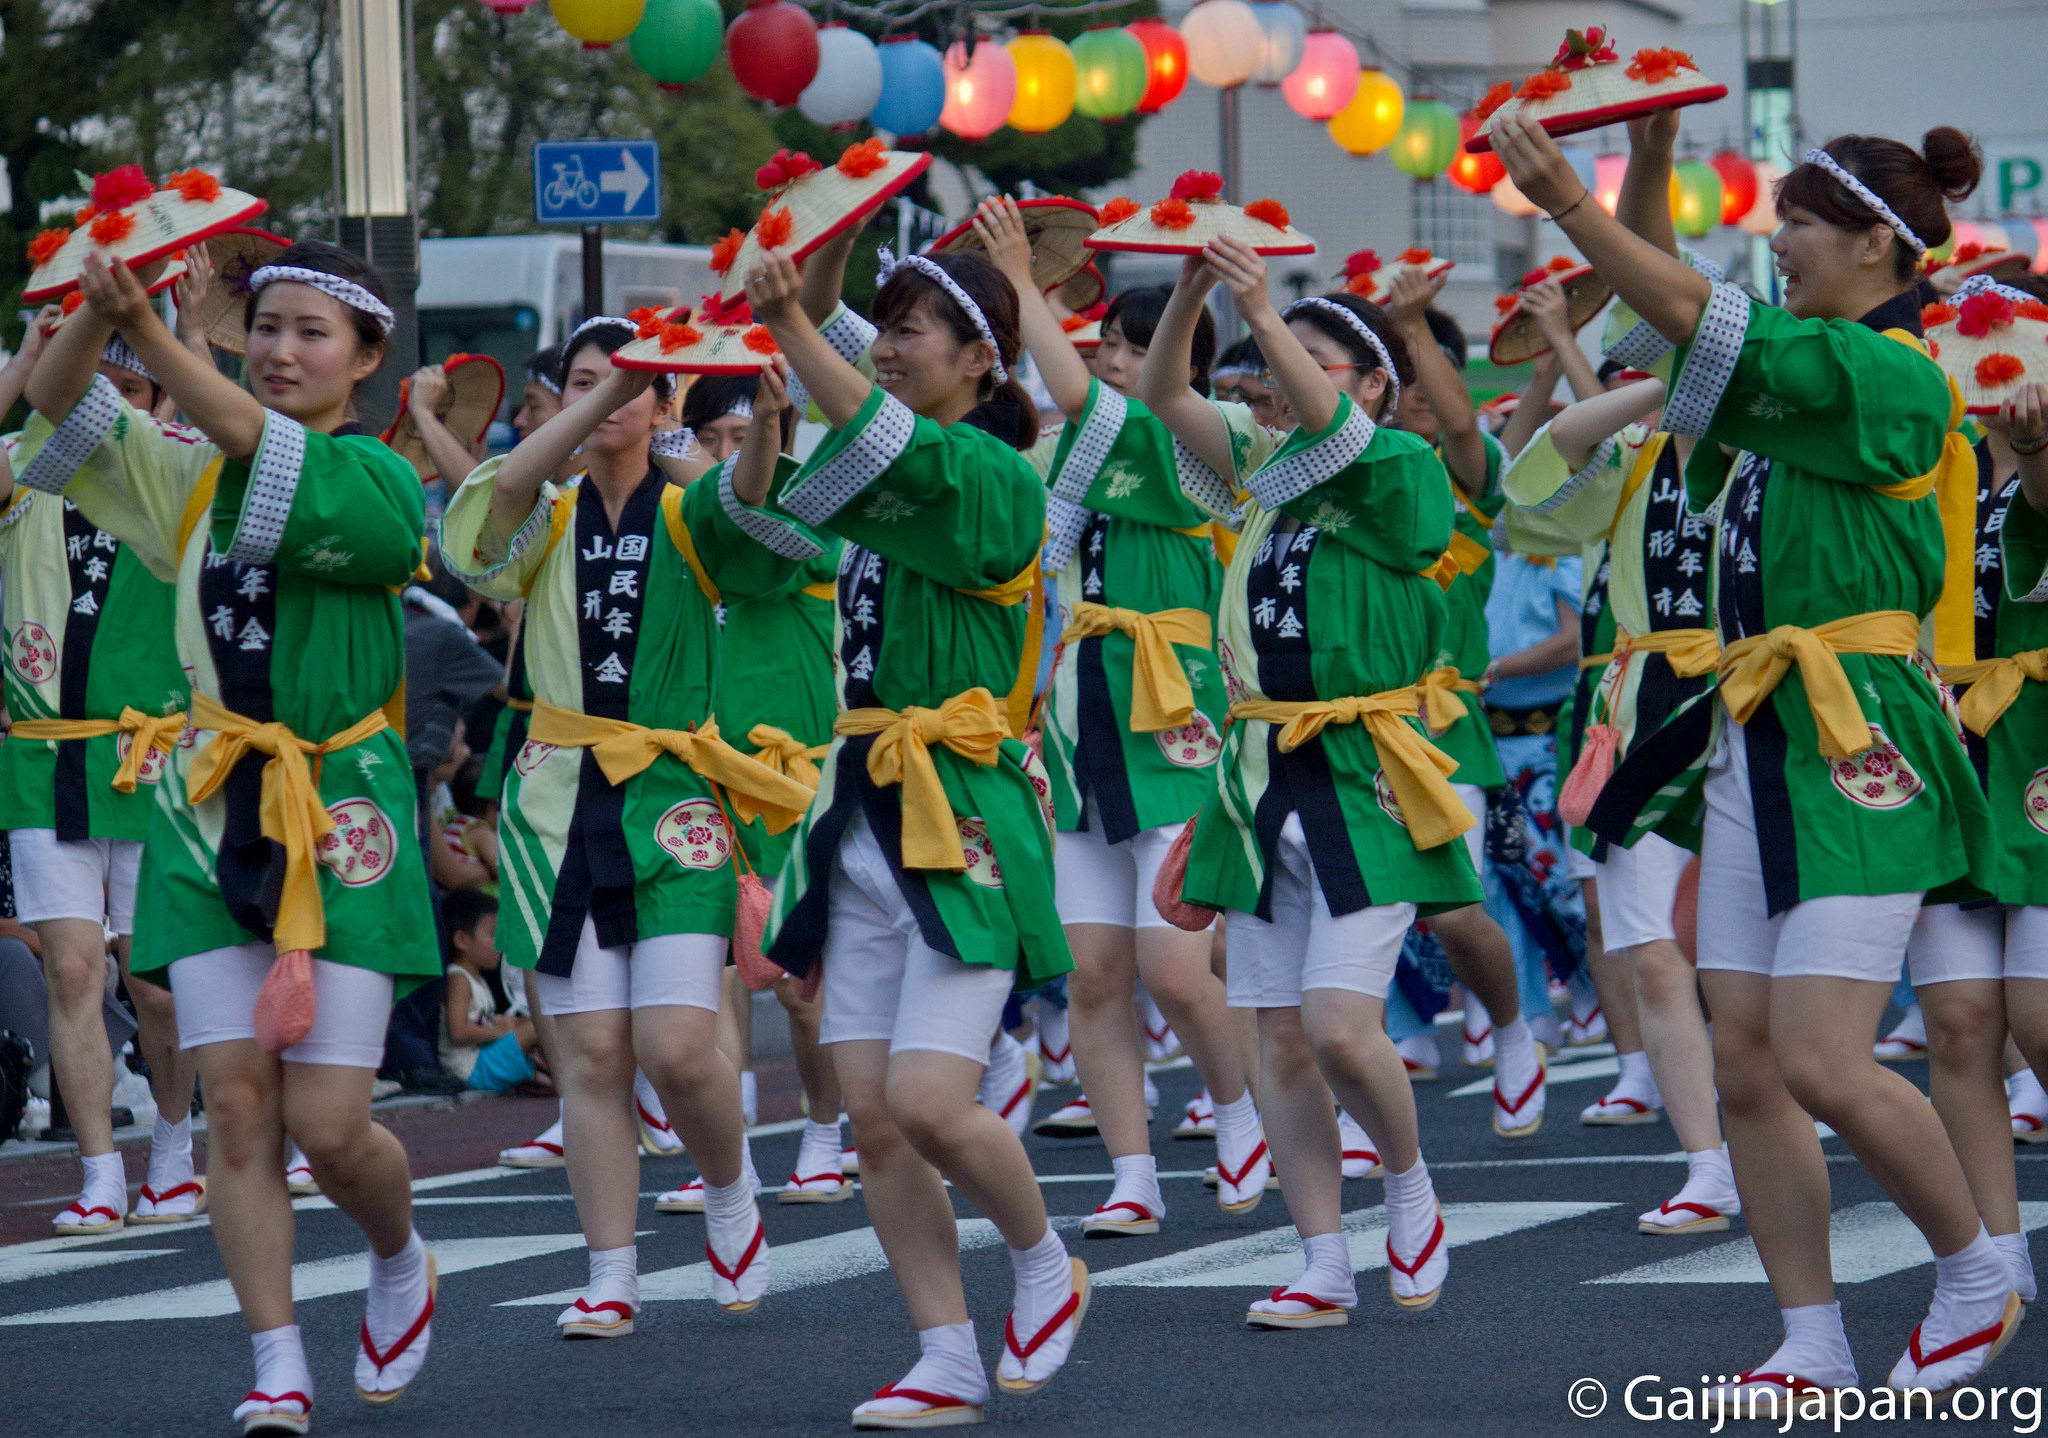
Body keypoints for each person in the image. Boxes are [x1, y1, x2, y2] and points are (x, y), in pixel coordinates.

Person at [1492, 107, 2022, 1401]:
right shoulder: (1800, 368)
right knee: (1746, 1059)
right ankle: (1813, 1341)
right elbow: (1687, 328)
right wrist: (1634, 185)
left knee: (1833, 1056)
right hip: (1754, 730)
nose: (1775, 240)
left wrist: (1575, 201)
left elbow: (1713, 324)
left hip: (1858, 733)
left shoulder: (1896, 374)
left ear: (1878, 247)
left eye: (1796, 219)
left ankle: (1977, 1271)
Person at [23, 234, 444, 1426]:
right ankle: (275, 1362)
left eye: (313, 332)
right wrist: (94, 313)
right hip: (207, 807)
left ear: (367, 357)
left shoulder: (378, 482)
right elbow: (60, 407)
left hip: (341, 814)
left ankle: (400, 1249)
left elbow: (277, 456)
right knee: (240, 1107)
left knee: (330, 1121)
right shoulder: (186, 475)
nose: (281, 350)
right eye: (264, 327)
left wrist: (159, 338)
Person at [741, 228, 1084, 1424]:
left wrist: (791, 320)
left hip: (961, 813)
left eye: (910, 331)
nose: (884, 349)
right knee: (876, 1120)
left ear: (982, 362)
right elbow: (848, 407)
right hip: (862, 810)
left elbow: (884, 435)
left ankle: (1044, 1258)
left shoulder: (998, 478)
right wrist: (812, 245)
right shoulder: (892, 466)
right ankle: (943, 1350)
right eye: (880, 329)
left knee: (933, 1103)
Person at [440, 314, 816, 1335]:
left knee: (680, 1048)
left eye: (630, 383)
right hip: (557, 800)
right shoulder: (546, 515)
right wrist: (598, 401)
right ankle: (610, 1270)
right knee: (591, 1057)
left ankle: (730, 1187)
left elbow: (764, 530)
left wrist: (770, 424)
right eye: (582, 381)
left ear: (664, 407)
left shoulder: (693, 506)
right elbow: (476, 534)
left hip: (670, 797)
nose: (604, 396)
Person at [1141, 242, 1478, 1327]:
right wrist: (1195, 294)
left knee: (1338, 1026)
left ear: (1373, 383)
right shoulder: (1260, 467)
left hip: (1360, 765)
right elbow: (1159, 393)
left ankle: (1410, 1182)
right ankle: (1321, 1255)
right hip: (1254, 771)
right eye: (1276, 358)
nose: (1279, 380)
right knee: (1272, 1033)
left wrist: (1258, 301)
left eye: (1317, 361)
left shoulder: (1396, 465)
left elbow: (1333, 429)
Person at [973, 197, 1268, 1233]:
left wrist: (1015, 272)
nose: (1104, 361)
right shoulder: (1062, 453)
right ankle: (1131, 1170)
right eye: (1101, 343)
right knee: (1090, 972)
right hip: (1074, 713)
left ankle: (1240, 1119)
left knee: (1174, 967)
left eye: (1130, 349)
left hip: (1174, 710)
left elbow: (1103, 400)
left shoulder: (1200, 442)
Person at [0, 304, 200, 1234]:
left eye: (129, 389)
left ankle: (172, 1147)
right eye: (93, 389)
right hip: (46, 755)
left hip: (157, 756)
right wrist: (36, 355)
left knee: (153, 978)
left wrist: (189, 331)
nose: (108, 408)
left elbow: (232, 429)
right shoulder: (30, 476)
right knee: (74, 973)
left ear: (158, 396)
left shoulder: (175, 478)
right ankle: (98, 1170)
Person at [669, 370, 850, 1203]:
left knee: (802, 989)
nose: (726, 460)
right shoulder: (682, 529)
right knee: (712, 978)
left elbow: (745, 507)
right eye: (709, 440)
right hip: (703, 769)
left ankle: (824, 1131)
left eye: (746, 441)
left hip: (799, 778)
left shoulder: (809, 518)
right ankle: (728, 1156)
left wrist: (692, 456)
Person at [1380, 268, 1548, 1130]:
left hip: (1446, 724)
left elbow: (1455, 420)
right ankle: (1360, 1097)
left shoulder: (1471, 479)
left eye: (1426, 370)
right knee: (1354, 916)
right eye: (1397, 373)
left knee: (1453, 907)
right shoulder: (1358, 478)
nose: (1413, 392)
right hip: (1357, 726)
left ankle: (1513, 1026)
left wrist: (1411, 323)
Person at [1923, 272, 2048, 1306]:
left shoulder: (2035, 473)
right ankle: (1997, 1259)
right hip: (1944, 754)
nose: (1986, 366)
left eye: (2004, 345)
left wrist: (2037, 447)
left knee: (2040, 1022)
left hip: (2040, 754)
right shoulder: (1934, 468)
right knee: (1959, 1024)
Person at [438, 890, 539, 1092]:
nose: (501, 943)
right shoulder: (459, 979)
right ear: (462, 940)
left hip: (481, 1062)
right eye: (493, 934)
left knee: (531, 1022)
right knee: (538, 1024)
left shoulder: (477, 980)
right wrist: (497, 1031)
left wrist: (504, 1024)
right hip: (470, 1069)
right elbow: (458, 1032)